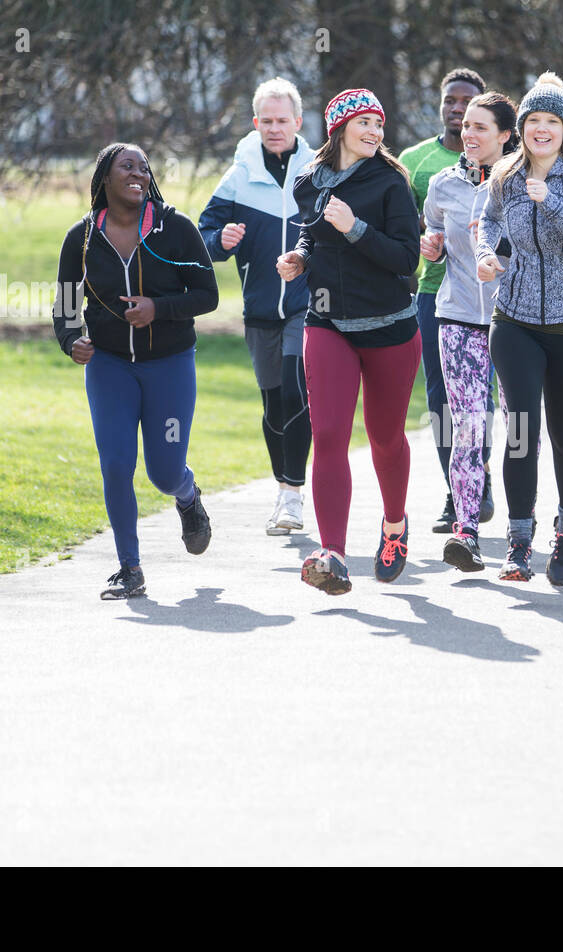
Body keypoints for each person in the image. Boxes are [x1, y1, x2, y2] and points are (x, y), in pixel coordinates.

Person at [52, 143, 219, 599]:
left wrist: (158, 308)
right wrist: (72, 340)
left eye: (144, 168)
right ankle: (130, 568)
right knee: (117, 466)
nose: (139, 174)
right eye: (128, 166)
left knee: (163, 474)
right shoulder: (82, 238)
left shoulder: (175, 229)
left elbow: (207, 295)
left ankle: (187, 495)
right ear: (104, 177)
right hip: (109, 368)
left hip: (169, 366)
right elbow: (67, 304)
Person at [276, 89, 422, 595]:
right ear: (339, 127)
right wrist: (298, 257)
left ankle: (395, 526)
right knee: (331, 433)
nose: (374, 133)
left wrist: (356, 227)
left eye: (378, 125)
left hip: (388, 327)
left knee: (384, 437)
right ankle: (332, 553)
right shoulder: (308, 183)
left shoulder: (391, 184)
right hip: (327, 322)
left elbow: (407, 260)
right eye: (363, 123)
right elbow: (312, 235)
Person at [476, 72, 563, 586]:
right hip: (513, 323)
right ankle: (518, 543)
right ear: (522, 126)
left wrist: (551, 204)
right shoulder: (505, 177)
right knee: (520, 431)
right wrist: (488, 255)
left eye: (551, 121)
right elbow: (489, 224)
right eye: (533, 120)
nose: (541, 129)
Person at [199, 77, 315, 536]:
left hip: (307, 305)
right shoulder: (240, 173)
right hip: (259, 307)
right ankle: (282, 488)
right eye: (266, 121)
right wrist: (220, 241)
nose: (274, 128)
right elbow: (204, 235)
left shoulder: (317, 169)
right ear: (255, 123)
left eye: (282, 120)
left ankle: (293, 495)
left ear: (298, 122)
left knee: (294, 387)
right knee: (271, 403)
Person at [421, 91, 517, 572]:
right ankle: (466, 533)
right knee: (467, 427)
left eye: (482, 127)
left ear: (505, 135)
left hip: (517, 322)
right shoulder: (442, 185)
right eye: (466, 125)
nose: (469, 133)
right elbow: (435, 238)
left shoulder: (522, 184)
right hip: (457, 317)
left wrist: (500, 262)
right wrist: (433, 248)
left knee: (520, 429)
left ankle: (523, 524)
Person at [400, 68, 498, 533]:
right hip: (436, 294)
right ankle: (453, 489)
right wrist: (425, 243)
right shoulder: (418, 162)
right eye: (451, 101)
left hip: (496, 298)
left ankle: (484, 480)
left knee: (489, 397)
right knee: (443, 401)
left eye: (469, 104)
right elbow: (409, 226)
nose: (458, 110)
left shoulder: (505, 166)